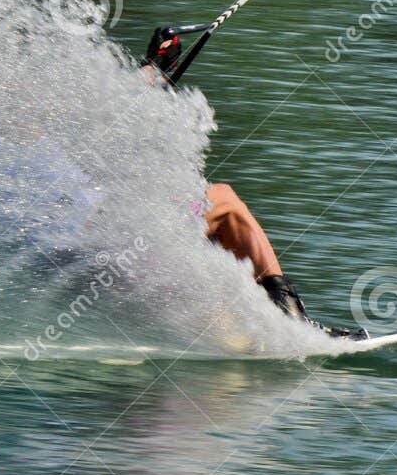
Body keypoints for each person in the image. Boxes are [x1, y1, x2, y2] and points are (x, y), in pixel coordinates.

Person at [143, 28, 365, 339]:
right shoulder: (64, 135)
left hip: (119, 245)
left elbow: (114, 112)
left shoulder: (70, 126)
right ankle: (291, 322)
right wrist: (154, 66)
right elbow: (109, 115)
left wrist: (155, 66)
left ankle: (252, 332)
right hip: (116, 250)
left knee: (211, 224)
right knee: (224, 202)